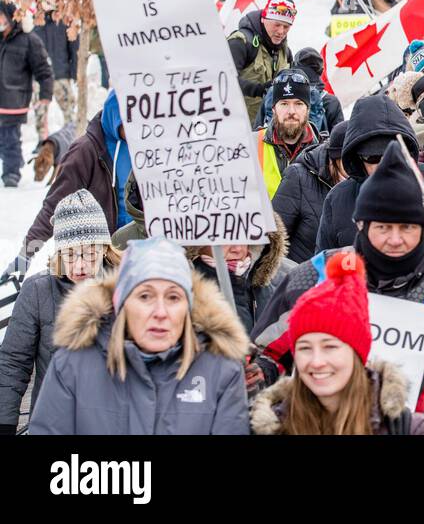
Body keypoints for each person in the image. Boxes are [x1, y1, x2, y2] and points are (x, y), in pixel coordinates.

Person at [252, 141, 424, 434]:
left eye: (406, 227)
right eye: (383, 227)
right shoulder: (315, 278)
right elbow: (264, 358)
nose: (395, 239)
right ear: (362, 226)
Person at [29, 237, 250, 434]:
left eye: (173, 297)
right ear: (122, 303)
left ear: (188, 307)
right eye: (145, 296)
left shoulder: (221, 370)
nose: (161, 312)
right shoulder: (72, 365)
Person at [250, 251, 424, 435]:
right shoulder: (271, 426)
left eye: (329, 347)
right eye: (305, 348)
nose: (316, 361)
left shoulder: (412, 429)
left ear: (357, 353)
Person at [0, 191, 121, 434]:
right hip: (53, 424)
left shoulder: (126, 288)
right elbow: (13, 363)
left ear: (104, 249)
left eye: (88, 254)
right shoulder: (38, 290)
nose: (78, 266)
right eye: (70, 253)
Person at [315, 95, 424, 252]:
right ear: (358, 159)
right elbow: (323, 267)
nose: (385, 164)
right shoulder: (337, 200)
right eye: (373, 158)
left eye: (395, 153)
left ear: (408, 151)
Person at [20, 92, 130, 269]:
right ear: (116, 116)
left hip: (141, 251)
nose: (135, 130)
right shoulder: (85, 151)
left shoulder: (145, 147)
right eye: (129, 123)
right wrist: (23, 258)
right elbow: (54, 206)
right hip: (97, 258)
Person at [274, 122, 347, 263]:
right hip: (302, 278)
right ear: (335, 157)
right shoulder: (299, 177)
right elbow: (274, 240)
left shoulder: (366, 182)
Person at [0, 1, 53, 187]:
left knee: (9, 137)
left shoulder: (29, 40)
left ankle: (11, 173)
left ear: (10, 17)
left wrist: (46, 94)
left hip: (14, 99)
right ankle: (14, 161)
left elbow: (44, 71)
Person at [228, 0, 296, 124]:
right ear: (264, 19)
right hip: (239, 126)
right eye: (277, 24)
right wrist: (259, 90)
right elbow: (223, 80)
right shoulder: (240, 42)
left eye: (286, 27)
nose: (281, 31)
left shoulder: (285, 51)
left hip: (272, 130)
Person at [257, 71, 321, 200]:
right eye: (284, 103)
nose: (291, 111)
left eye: (298, 104)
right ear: (273, 109)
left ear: (308, 109)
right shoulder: (251, 145)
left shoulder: (323, 151)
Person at [31, 5, 77, 139]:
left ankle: (72, 138)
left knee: (68, 110)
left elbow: (73, 48)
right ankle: (42, 141)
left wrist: (74, 72)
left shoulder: (62, 21)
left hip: (61, 74)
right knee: (40, 113)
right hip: (40, 78)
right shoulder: (35, 24)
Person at [293, 48, 344, 132]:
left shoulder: (284, 96)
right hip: (322, 144)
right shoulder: (331, 101)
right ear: (321, 71)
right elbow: (339, 137)